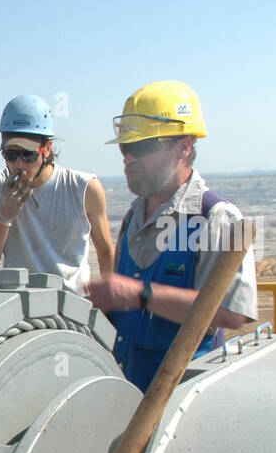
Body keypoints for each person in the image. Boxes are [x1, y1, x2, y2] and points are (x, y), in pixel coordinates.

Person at [86, 81, 258, 391]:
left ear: (184, 147)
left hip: (179, 398)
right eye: (126, 147)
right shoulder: (134, 216)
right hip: (122, 392)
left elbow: (233, 314)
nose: (128, 158)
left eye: (141, 147)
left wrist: (141, 295)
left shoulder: (217, 219)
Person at [0, 94, 114, 295]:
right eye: (11, 155)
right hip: (16, 309)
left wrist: (113, 307)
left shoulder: (82, 188)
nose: (19, 164)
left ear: (46, 149)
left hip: (71, 306)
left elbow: (106, 252)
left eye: (28, 155)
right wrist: (3, 216)